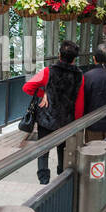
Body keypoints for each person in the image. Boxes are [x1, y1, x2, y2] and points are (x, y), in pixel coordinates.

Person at [23, 40, 85, 184]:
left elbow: (27, 87)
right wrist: (77, 122)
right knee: (63, 149)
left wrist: (43, 93)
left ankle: (44, 180)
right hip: (67, 120)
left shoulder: (48, 71)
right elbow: (79, 103)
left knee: (43, 149)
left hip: (47, 119)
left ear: (59, 55)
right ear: (74, 58)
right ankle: (61, 178)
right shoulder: (79, 76)